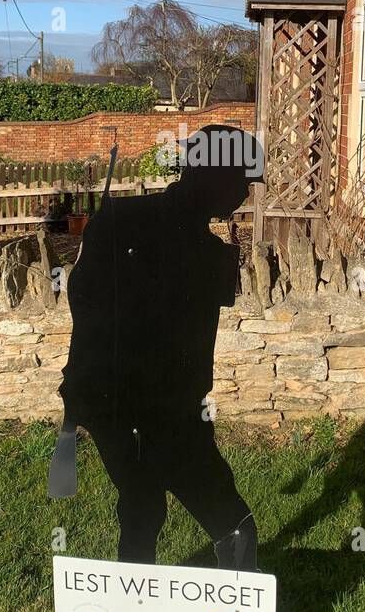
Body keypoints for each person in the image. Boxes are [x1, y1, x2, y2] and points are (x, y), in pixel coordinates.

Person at [59, 125, 263, 569]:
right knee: (234, 524)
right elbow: (91, 303)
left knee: (141, 508)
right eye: (241, 183)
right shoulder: (200, 252)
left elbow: (83, 299)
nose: (245, 195)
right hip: (158, 412)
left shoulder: (119, 218)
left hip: (112, 404)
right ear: (213, 177)